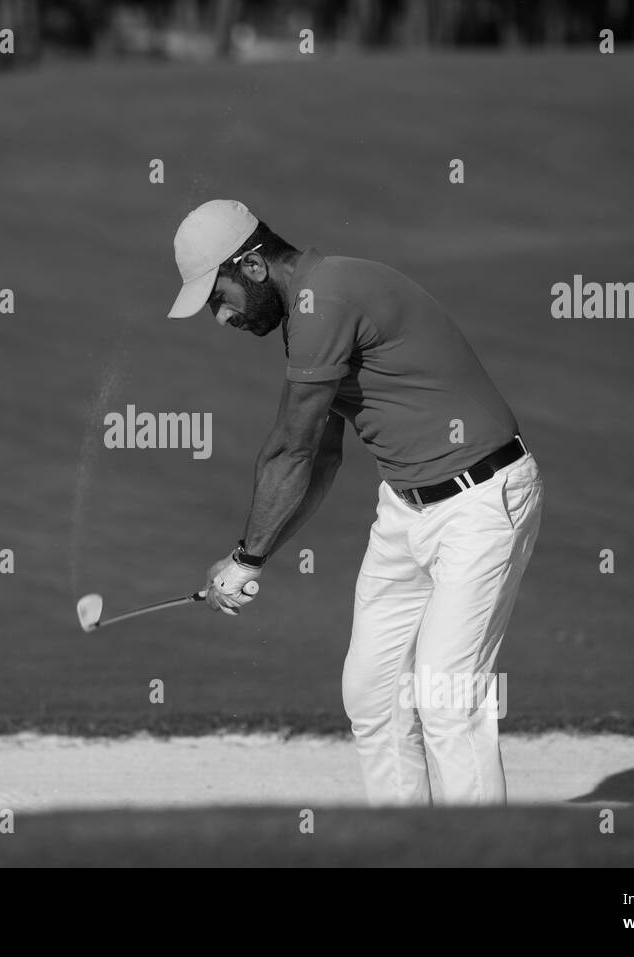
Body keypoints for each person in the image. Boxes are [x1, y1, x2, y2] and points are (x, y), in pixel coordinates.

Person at [166, 199, 544, 805]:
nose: (221, 317)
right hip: (405, 508)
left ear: (253, 266)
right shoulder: (309, 311)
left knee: (447, 699)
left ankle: (482, 849)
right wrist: (252, 558)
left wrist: (244, 559)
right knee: (374, 696)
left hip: (480, 503)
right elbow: (321, 458)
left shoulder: (327, 299)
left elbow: (288, 450)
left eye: (219, 297)